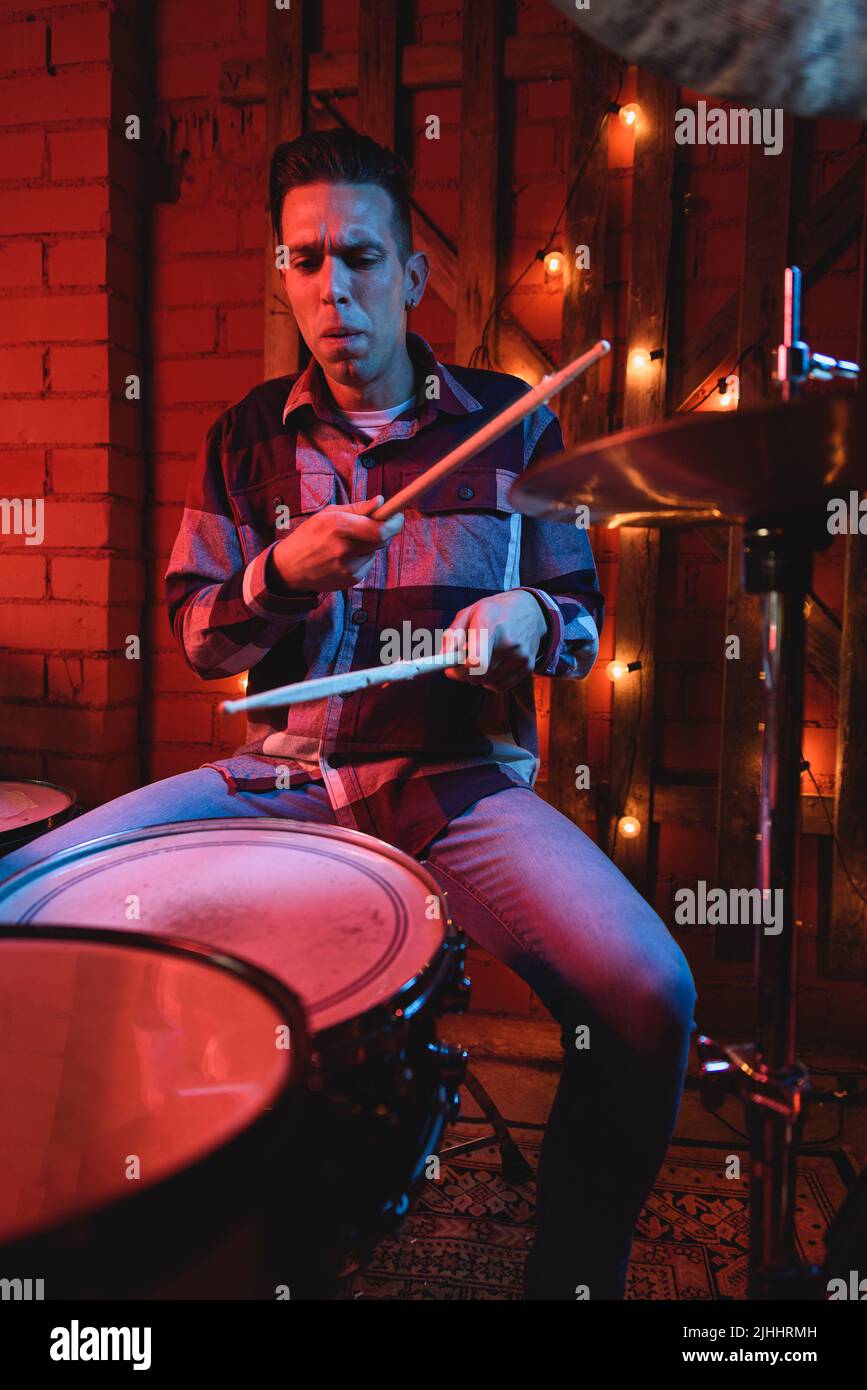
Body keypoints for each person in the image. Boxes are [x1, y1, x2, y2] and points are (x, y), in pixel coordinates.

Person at [1, 129, 696, 1300]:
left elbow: (578, 624)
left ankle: (577, 1282)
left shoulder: (513, 420)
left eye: (362, 257)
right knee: (22, 902)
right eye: (309, 259)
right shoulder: (245, 440)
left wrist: (525, 612)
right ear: (283, 272)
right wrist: (283, 573)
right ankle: (100, 1244)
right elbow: (201, 638)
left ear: (412, 275)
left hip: (448, 778)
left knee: (647, 995)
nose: (336, 289)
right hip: (279, 775)